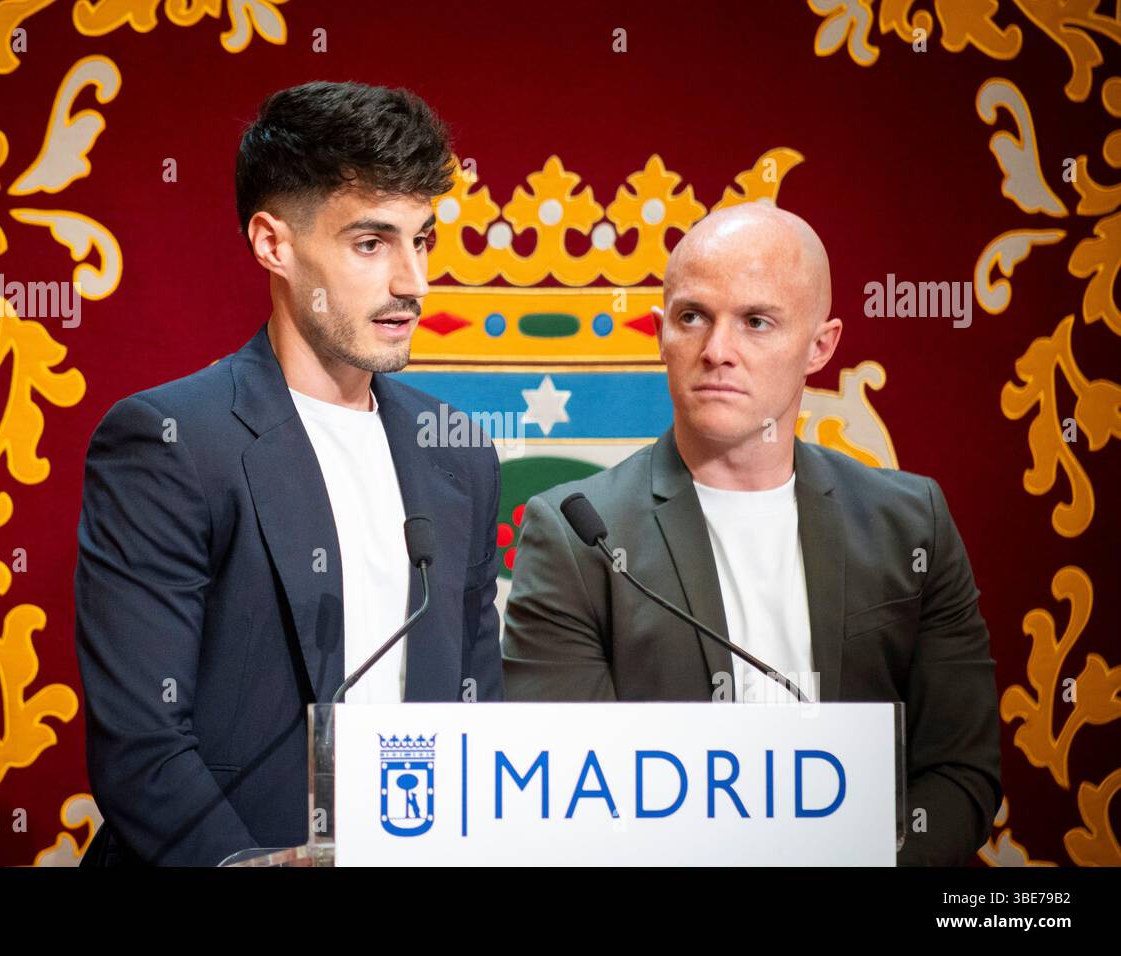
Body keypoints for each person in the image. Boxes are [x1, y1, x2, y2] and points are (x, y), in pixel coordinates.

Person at [74, 81, 504, 866]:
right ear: (273, 244)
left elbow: (478, 716)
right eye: (371, 244)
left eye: (424, 240)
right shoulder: (170, 442)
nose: (413, 282)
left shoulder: (459, 450)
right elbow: (141, 745)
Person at [501, 201, 1001, 866]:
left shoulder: (911, 523)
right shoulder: (575, 534)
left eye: (756, 321)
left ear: (820, 346)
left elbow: (959, 773)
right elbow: (569, 793)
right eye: (691, 318)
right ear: (660, 335)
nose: (716, 352)